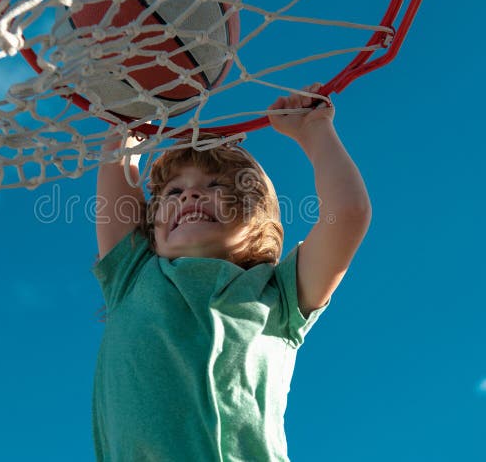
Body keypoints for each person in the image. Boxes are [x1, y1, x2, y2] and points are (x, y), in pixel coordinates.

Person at [92, 85, 372, 461]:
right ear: (151, 225)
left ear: (255, 217)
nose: (189, 196)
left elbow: (348, 214)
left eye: (215, 186)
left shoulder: (279, 295)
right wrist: (129, 115)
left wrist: (314, 129)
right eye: (173, 193)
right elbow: (119, 155)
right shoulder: (133, 275)